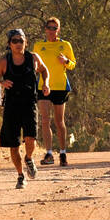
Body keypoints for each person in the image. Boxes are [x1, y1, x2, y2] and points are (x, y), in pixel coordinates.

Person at [0, 28, 50, 188]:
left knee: (31, 138)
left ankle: (29, 158)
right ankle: (20, 175)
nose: (18, 44)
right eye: (14, 41)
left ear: (26, 42)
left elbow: (45, 71)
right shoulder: (4, 62)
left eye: (21, 41)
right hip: (11, 106)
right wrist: (1, 84)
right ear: (9, 44)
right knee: (14, 144)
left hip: (29, 103)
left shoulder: (33, 58)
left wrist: (46, 83)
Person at [33, 16, 76, 166]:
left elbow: (72, 64)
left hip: (60, 86)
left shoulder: (65, 45)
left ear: (58, 30)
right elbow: (34, 65)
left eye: (54, 28)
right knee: (45, 120)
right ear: (45, 29)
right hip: (43, 86)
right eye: (49, 28)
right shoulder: (38, 46)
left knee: (59, 121)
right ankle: (49, 153)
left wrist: (65, 61)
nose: (52, 31)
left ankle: (63, 153)